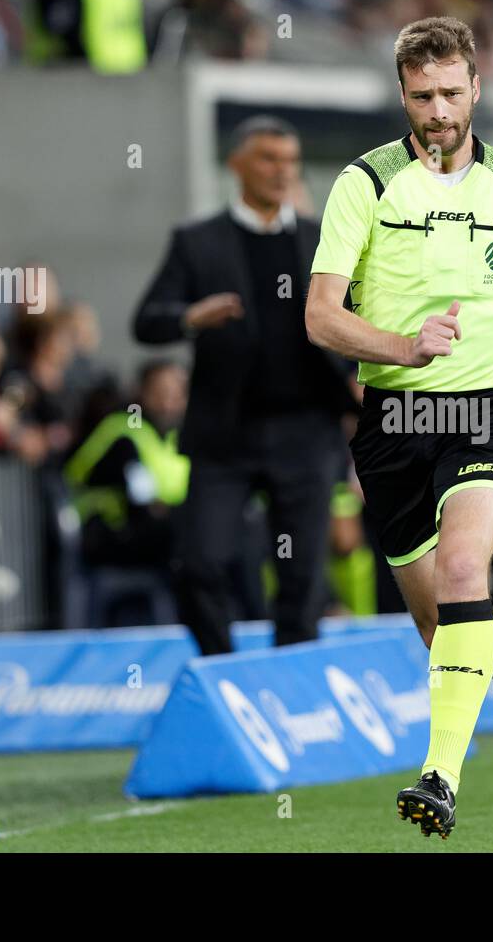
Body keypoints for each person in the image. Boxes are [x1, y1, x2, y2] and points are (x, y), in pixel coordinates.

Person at [304, 16, 493, 839]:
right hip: (396, 419)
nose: (438, 111)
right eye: (421, 96)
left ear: (476, 87)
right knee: (448, 629)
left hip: (485, 412)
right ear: (402, 95)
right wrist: (402, 346)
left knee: (464, 566)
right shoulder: (363, 185)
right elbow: (322, 316)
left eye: (450, 93)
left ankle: (438, 776)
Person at [134, 114, 357, 655]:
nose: (282, 172)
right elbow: (146, 322)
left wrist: (362, 379)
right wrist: (190, 316)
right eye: (268, 159)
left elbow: (358, 318)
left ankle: (289, 685)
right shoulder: (197, 241)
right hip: (224, 436)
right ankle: (222, 671)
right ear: (236, 164)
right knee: (200, 561)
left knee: (302, 576)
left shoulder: (322, 238)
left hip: (307, 433)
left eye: (290, 161)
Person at [64, 359, 189, 568]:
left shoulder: (176, 438)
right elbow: (142, 501)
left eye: (177, 393)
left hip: (160, 544)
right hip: (110, 540)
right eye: (160, 392)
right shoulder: (126, 432)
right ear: (142, 392)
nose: (168, 402)